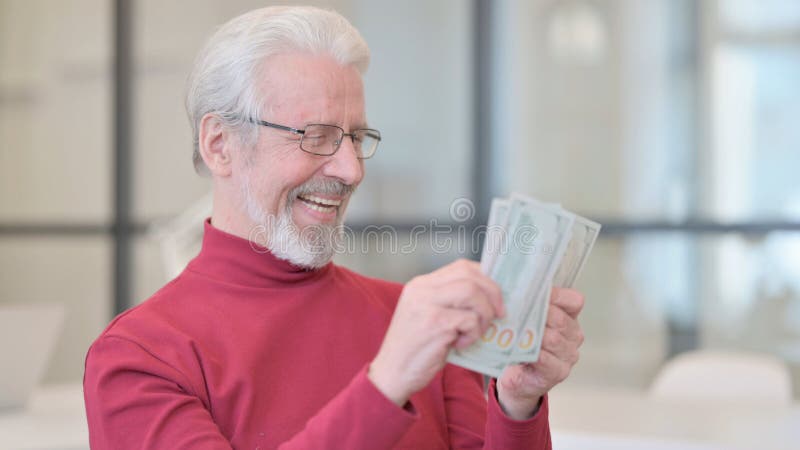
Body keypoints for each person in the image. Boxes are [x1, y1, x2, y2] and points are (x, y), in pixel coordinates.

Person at [83, 6, 585, 449]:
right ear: (219, 145)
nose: (351, 170)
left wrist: (517, 403)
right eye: (316, 135)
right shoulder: (139, 358)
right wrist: (386, 382)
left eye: (357, 138)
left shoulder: (413, 320)